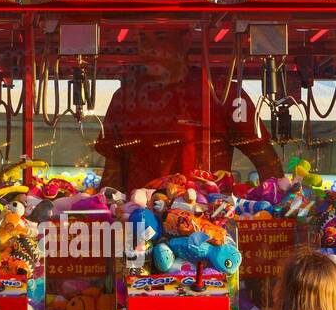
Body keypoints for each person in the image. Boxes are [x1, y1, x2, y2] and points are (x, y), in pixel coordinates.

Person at [96, 27, 283, 193]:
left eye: (160, 37)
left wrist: (272, 212)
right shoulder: (125, 97)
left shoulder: (223, 93)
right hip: (140, 223)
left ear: (185, 41)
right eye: (143, 38)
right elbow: (113, 171)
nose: (149, 48)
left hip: (207, 221)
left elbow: (266, 161)